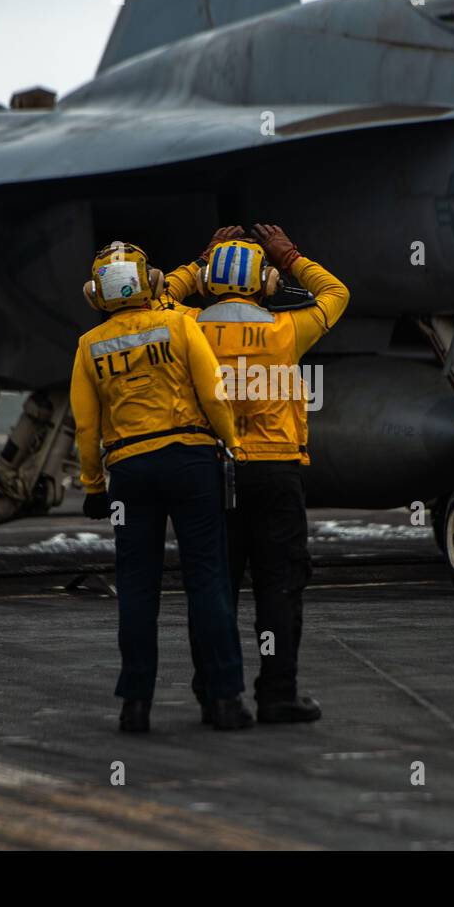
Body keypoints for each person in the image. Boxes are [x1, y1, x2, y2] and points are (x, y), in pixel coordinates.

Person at [165, 224, 349, 724]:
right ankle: (278, 693)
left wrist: (198, 263)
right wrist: (290, 256)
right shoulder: (285, 331)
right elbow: (336, 292)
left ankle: (219, 696)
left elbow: (158, 294)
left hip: (209, 473)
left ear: (209, 281)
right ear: (263, 281)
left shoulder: (187, 327)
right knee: (279, 586)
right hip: (275, 475)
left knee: (212, 585)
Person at [70, 241, 252, 733]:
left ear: (97, 296)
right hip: (192, 464)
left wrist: (93, 486)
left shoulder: (90, 347)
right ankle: (225, 701)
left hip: (129, 473)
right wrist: (231, 443)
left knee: (136, 587)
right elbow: (213, 392)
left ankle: (135, 705)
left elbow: (86, 428)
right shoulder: (179, 324)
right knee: (208, 580)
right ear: (150, 282)